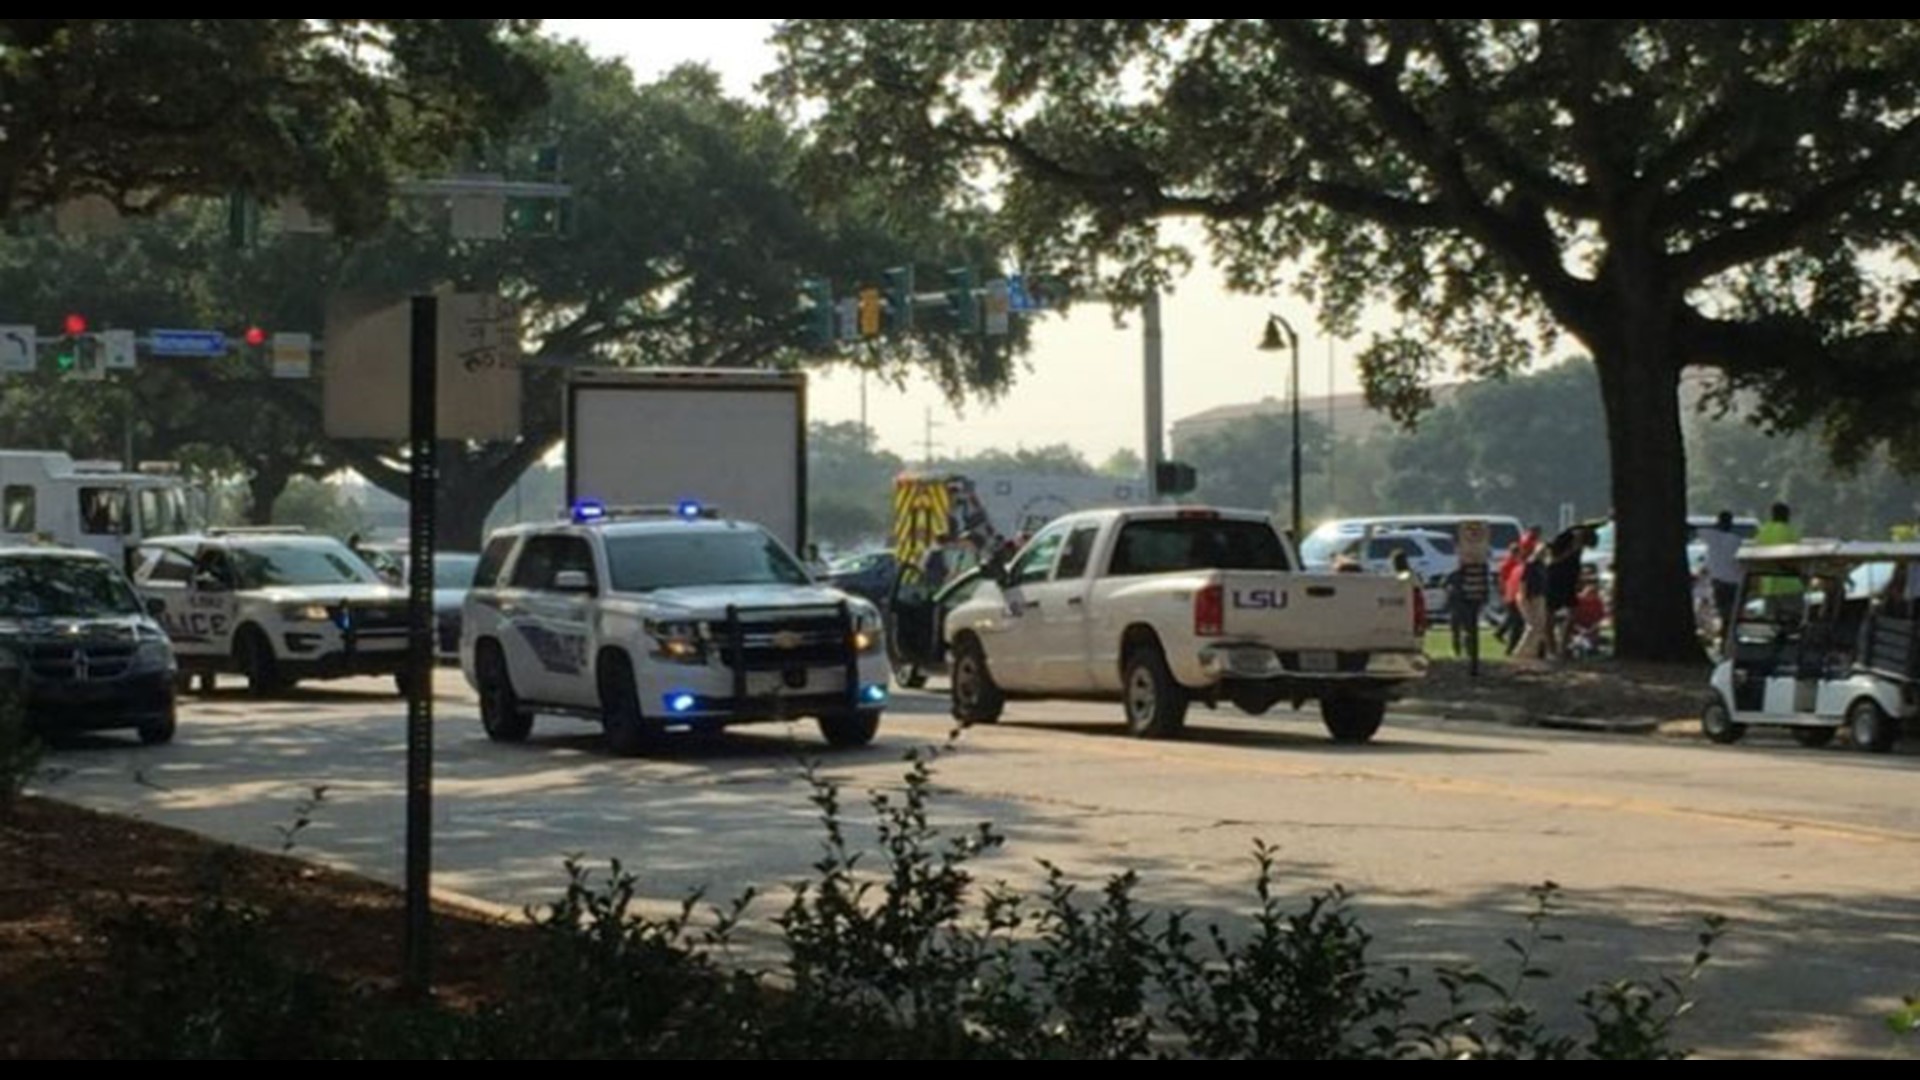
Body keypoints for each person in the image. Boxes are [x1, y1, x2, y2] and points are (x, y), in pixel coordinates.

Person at [1698, 509, 1745, 631]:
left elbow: (1697, 529)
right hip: (1734, 580)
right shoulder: (1736, 540)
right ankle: (1728, 630)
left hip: (1718, 579)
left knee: (1721, 607)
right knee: (1731, 609)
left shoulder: (1711, 536)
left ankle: (1725, 629)